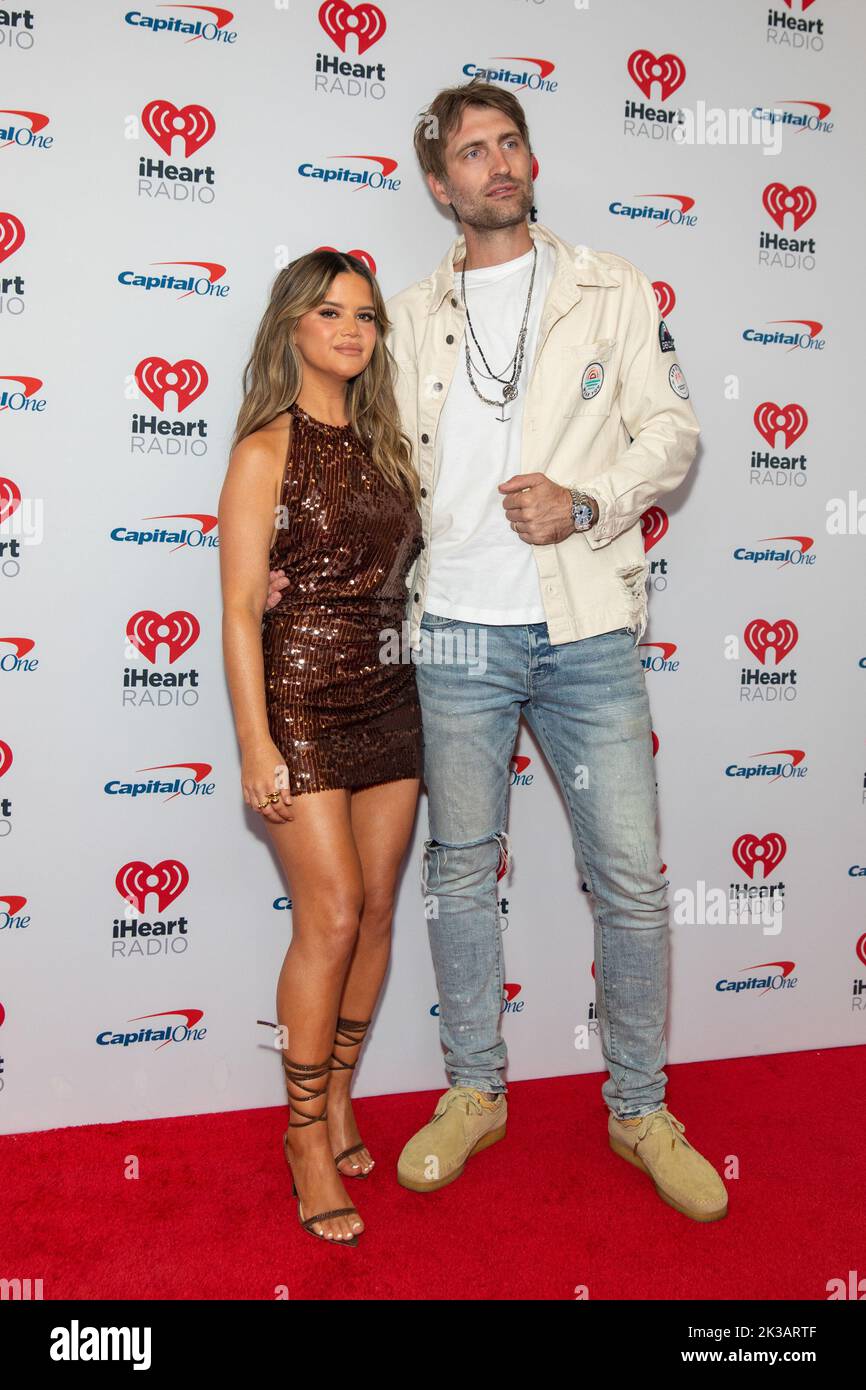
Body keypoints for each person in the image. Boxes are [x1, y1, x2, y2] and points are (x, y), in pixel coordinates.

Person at [267, 79, 729, 1223]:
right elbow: (353, 445)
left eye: (509, 142)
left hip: (583, 626)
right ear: (439, 184)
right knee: (460, 871)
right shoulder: (408, 315)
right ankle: (473, 1091)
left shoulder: (608, 288)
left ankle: (638, 1107)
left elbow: (673, 431)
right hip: (455, 631)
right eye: (471, 152)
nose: (497, 162)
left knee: (627, 874)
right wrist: (292, 554)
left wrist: (585, 500)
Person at [219, 249, 423, 1246]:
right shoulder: (264, 449)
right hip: (300, 700)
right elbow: (235, 613)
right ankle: (303, 1134)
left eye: (365, 315)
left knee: (378, 909)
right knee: (331, 913)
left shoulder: (392, 446)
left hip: (392, 694)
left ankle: (338, 1094)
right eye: (329, 311)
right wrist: (255, 743)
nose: (349, 328)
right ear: (291, 325)